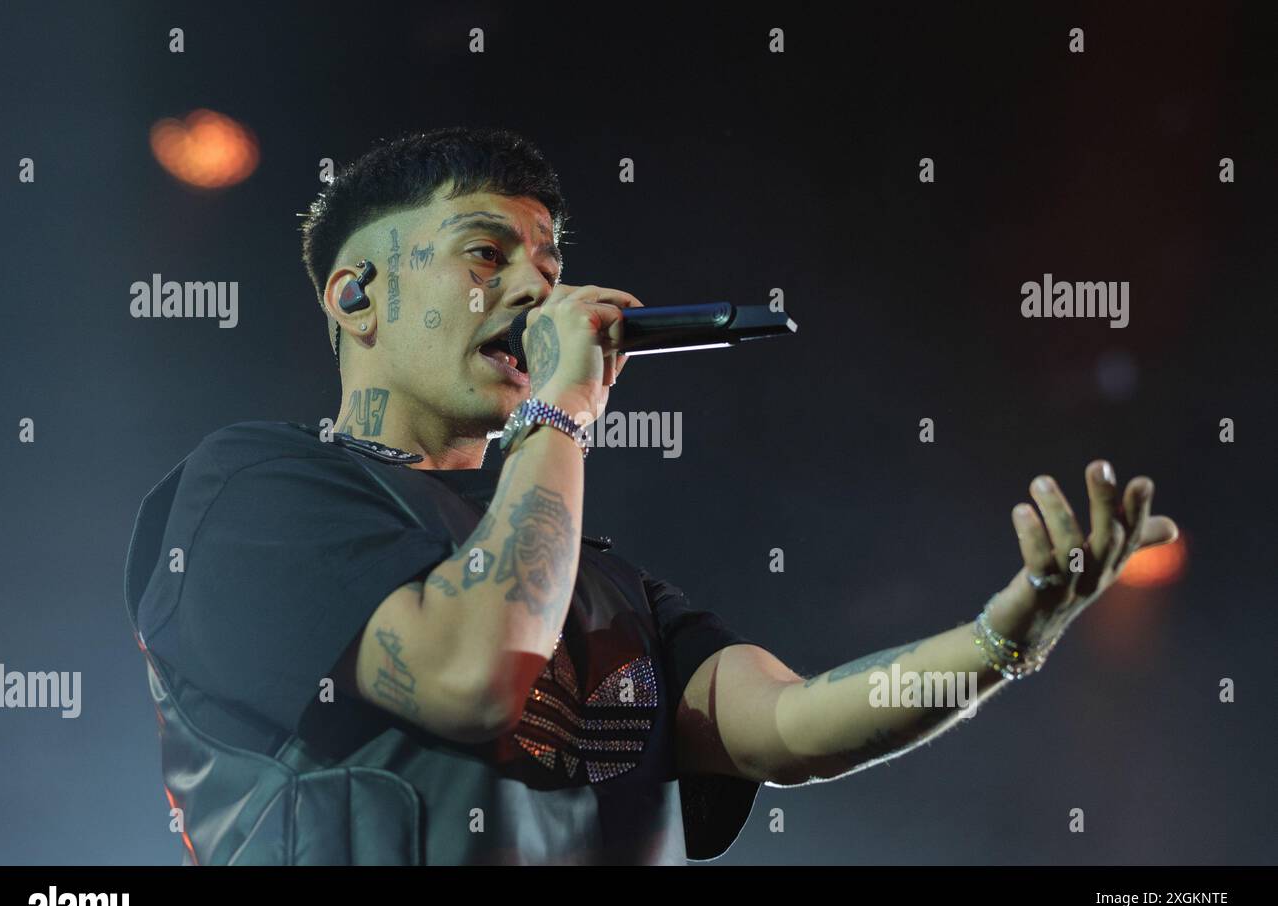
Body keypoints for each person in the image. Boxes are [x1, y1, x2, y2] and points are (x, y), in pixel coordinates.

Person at [123, 126, 1179, 865]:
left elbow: (796, 726)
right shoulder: (252, 490)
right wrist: (564, 415)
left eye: (548, 262)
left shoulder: (597, 579)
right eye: (487, 253)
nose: (538, 289)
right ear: (357, 293)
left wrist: (1011, 630)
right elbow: (466, 674)